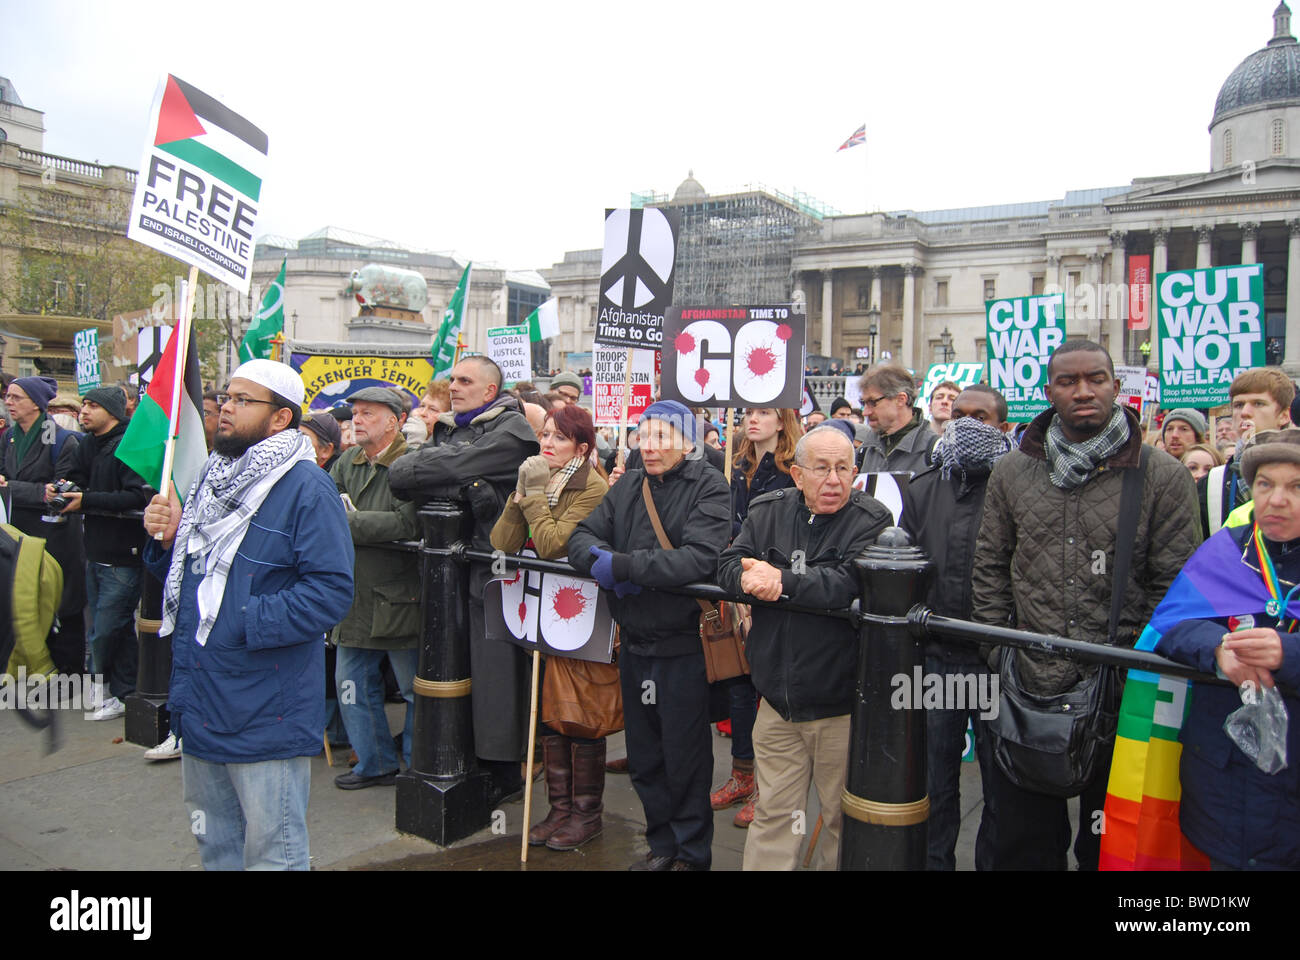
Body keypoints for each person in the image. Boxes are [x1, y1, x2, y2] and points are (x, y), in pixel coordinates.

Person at [971, 339, 1201, 870]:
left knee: (1111, 847)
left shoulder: (1161, 474)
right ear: (1049, 392)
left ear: (1116, 387)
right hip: (1027, 688)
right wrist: (997, 653)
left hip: (1122, 694)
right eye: (1068, 382)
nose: (1083, 391)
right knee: (1023, 846)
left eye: (1096, 379)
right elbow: (989, 567)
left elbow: (1174, 586)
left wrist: (1137, 668)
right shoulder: (1012, 471)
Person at [141, 359, 353, 870]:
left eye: (242, 400)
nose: (225, 409)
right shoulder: (210, 477)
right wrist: (166, 539)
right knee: (216, 843)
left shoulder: (307, 487)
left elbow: (330, 592)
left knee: (272, 852)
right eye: (225, 397)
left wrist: (239, 621)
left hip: (265, 703)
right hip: (200, 691)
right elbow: (190, 572)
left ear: (280, 418)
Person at [718, 425, 891, 870]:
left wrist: (781, 579)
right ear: (797, 475)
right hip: (777, 702)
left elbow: (848, 582)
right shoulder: (767, 510)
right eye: (821, 469)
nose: (834, 480)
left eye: (843, 469)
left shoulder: (873, 520)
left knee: (841, 819)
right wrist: (746, 576)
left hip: (839, 705)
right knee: (774, 814)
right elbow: (727, 563)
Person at [568, 400, 731, 870]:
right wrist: (601, 559)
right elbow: (581, 535)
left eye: (663, 436)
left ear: (687, 442)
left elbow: (699, 557)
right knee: (644, 759)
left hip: (682, 645)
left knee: (685, 760)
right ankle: (661, 846)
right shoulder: (630, 485)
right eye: (645, 435)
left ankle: (692, 854)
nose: (651, 446)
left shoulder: (710, 485)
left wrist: (625, 566)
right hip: (634, 643)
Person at [389, 356, 539, 803]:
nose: (453, 386)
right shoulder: (448, 427)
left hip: (492, 568)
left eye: (465, 380)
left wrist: (451, 475)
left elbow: (439, 473)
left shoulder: (512, 431)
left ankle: (502, 771)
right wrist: (457, 477)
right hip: (447, 568)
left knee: (494, 669)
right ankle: (464, 756)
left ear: (490, 391)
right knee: (452, 663)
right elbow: (403, 477)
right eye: (452, 379)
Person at [1154, 427, 1300, 869]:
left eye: (1296, 487)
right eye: (1264, 485)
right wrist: (1216, 649)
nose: (1276, 500)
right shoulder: (1223, 552)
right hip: (1227, 783)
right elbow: (1170, 622)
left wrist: (1288, 654)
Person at [900, 385, 1011, 870]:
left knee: (1002, 787)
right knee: (935, 781)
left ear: (1003, 426)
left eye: (980, 417)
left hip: (999, 664)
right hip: (939, 660)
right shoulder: (923, 486)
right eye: (958, 415)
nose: (966, 425)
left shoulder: (1018, 488)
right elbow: (908, 566)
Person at [490, 404, 609, 849]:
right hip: (536, 607)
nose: (546, 444)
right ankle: (558, 809)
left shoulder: (592, 486)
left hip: (574, 608)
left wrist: (535, 496)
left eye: (558, 438)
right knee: (548, 714)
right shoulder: (536, 478)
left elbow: (554, 543)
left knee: (576, 713)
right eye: (544, 435)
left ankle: (586, 814)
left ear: (581, 447)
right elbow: (501, 543)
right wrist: (518, 496)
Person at [712, 407, 803, 828]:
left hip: (773, 584)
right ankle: (741, 775)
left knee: (766, 684)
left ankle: (768, 789)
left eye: (764, 412)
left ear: (782, 420)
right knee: (738, 683)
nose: (752, 419)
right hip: (736, 579)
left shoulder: (792, 470)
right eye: (748, 412)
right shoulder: (735, 465)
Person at [330, 388, 420, 789]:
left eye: (368, 413)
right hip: (353, 594)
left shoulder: (412, 464)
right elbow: (323, 505)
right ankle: (375, 763)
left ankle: (419, 765)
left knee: (413, 689)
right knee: (350, 684)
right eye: (355, 413)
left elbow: (409, 525)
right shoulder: (347, 460)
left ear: (394, 421)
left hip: (398, 596)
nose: (357, 420)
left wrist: (349, 523)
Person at [59, 386, 149, 720]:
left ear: (112, 411)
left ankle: (102, 685)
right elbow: (78, 479)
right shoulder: (87, 444)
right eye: (83, 404)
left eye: (93, 405)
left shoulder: (130, 445)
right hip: (95, 550)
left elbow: (137, 497)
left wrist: (87, 500)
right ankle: (124, 692)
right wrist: (64, 488)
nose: (84, 411)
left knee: (106, 627)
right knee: (118, 627)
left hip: (123, 554)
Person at [0, 376, 85, 676]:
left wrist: (13, 487)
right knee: (23, 600)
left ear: (36, 403)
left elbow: (58, 492)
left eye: (16, 398)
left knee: (62, 602)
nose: (8, 403)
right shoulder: (8, 438)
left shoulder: (61, 440)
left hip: (54, 535)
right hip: (17, 535)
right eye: (8, 397)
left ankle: (68, 671)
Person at [1197, 368, 1294, 538]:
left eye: (1258, 403)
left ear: (1284, 415)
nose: (1245, 412)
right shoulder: (1213, 482)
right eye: (1238, 405)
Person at [856, 364, 939, 476]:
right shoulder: (864, 451)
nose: (865, 412)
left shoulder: (934, 451)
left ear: (901, 399)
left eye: (872, 402)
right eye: (863, 403)